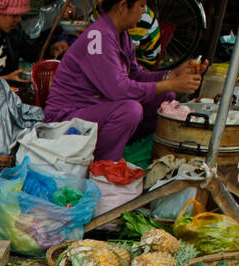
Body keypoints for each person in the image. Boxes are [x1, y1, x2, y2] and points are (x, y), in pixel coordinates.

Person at [42, 0, 204, 162]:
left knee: (164, 97)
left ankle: (119, 147)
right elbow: (119, 90)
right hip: (66, 119)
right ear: (122, 6)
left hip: (96, 110)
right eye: (141, 5)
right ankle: (102, 165)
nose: (144, 11)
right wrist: (170, 83)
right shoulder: (97, 37)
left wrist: (172, 75)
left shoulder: (122, 36)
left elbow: (136, 75)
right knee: (130, 110)